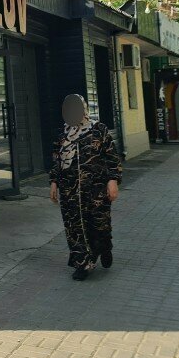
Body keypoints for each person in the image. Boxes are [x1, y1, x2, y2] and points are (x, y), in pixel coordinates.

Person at [49, 94, 122, 281]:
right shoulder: (62, 134)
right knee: (74, 227)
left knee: (99, 224)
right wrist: (54, 183)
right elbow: (56, 161)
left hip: (95, 190)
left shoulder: (98, 130)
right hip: (69, 191)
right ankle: (83, 263)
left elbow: (112, 157)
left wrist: (113, 180)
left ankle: (105, 247)